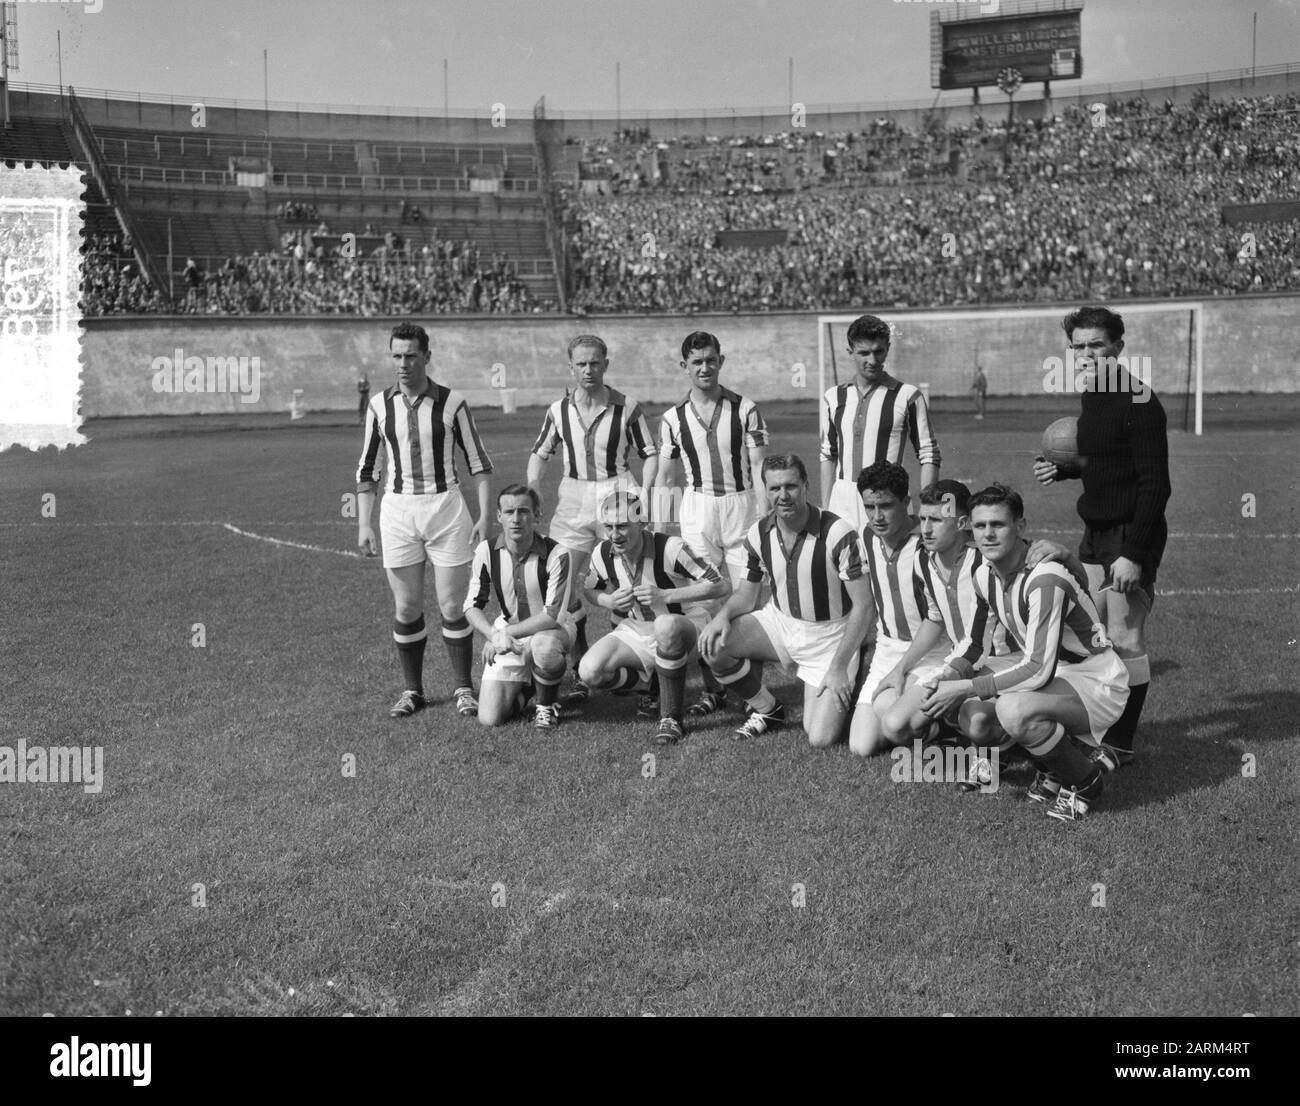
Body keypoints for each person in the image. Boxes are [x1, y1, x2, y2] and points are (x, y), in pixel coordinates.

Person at [919, 484, 1130, 822]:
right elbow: (974, 645)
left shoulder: (1046, 577)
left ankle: (1085, 781)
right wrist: (948, 676)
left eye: (998, 525)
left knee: (1013, 710)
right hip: (1057, 675)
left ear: (1021, 526)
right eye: (980, 526)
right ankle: (1052, 767)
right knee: (972, 717)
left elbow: (1036, 670)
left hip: (1095, 678)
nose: (988, 534)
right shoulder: (983, 574)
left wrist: (963, 686)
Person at [1033, 305, 1170, 769]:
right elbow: (1106, 463)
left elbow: (1155, 484)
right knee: (1093, 635)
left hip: (1132, 534)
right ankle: (1100, 727)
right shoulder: (1094, 395)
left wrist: (1133, 554)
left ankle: (1121, 744)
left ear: (1118, 347)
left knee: (1124, 635)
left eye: (1096, 345)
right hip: (1094, 533)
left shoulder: (1140, 402)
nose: (1087, 354)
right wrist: (1067, 468)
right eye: (1079, 346)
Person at [356, 322, 493, 719]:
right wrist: (364, 524)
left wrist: (485, 515)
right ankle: (412, 690)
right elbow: (367, 469)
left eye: (411, 355)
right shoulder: (379, 405)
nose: (403, 363)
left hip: (446, 507)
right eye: (396, 356)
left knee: (453, 605)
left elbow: (479, 464)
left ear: (426, 357)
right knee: (407, 606)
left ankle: (464, 688)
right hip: (397, 510)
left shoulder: (452, 403)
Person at [700, 455, 871, 747]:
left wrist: (840, 665)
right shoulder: (758, 533)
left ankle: (856, 672)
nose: (783, 495)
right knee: (715, 645)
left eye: (791, 486)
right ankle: (768, 708)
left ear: (806, 485)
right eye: (775, 488)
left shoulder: (838, 532)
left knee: (819, 737)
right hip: (780, 624)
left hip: (830, 637)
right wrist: (723, 616)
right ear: (765, 491)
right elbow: (746, 595)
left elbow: (864, 606)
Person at [527, 335, 658, 702]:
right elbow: (540, 452)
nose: (588, 370)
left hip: (617, 491)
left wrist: (644, 492)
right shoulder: (558, 411)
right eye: (581, 364)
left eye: (595, 363)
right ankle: (580, 653)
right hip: (572, 496)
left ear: (606, 364)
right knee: (561, 577)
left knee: (629, 577)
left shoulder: (626, 407)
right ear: (571, 367)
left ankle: (635, 660)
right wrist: (534, 483)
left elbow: (650, 452)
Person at [653, 331, 768, 718]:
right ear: (683, 366)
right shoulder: (672, 418)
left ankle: (754, 691)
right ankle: (713, 689)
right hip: (697, 508)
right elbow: (667, 477)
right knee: (703, 601)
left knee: (746, 601)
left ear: (722, 360)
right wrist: (659, 528)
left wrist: (765, 520)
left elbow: (758, 468)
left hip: (741, 505)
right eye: (696, 361)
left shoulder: (745, 408)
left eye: (711, 360)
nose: (705, 367)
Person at [579, 492, 728, 746]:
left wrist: (666, 595)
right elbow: (589, 587)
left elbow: (719, 584)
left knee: (665, 624)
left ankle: (671, 717)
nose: (615, 535)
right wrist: (608, 601)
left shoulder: (671, 548)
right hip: (637, 628)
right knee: (590, 672)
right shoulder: (603, 553)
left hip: (686, 625)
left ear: (643, 522)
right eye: (609, 527)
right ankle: (652, 685)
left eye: (623, 526)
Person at [846, 463, 950, 757]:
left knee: (891, 720)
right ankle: (919, 718)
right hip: (888, 648)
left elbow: (939, 619)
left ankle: (947, 729)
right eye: (869, 507)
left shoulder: (928, 543)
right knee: (861, 746)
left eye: (886, 506)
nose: (877, 516)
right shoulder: (866, 535)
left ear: (906, 503)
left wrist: (900, 670)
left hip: (933, 650)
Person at [818, 313, 940, 533]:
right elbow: (828, 454)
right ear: (850, 353)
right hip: (842, 499)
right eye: (864, 353)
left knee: (889, 564)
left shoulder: (908, 396)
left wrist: (928, 508)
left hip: (888, 497)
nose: (872, 361)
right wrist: (827, 507)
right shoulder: (833, 397)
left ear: (888, 349)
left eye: (878, 352)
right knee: (843, 566)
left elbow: (929, 454)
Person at [463, 485, 572, 730]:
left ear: (537, 515)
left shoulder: (557, 554)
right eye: (509, 511)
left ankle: (547, 705)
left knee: (544, 647)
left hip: (553, 629)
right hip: (508, 629)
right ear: (499, 516)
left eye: (523, 511)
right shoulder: (486, 551)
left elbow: (552, 616)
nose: (516, 519)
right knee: (489, 718)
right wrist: (493, 635)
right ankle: (533, 685)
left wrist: (504, 635)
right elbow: (471, 606)